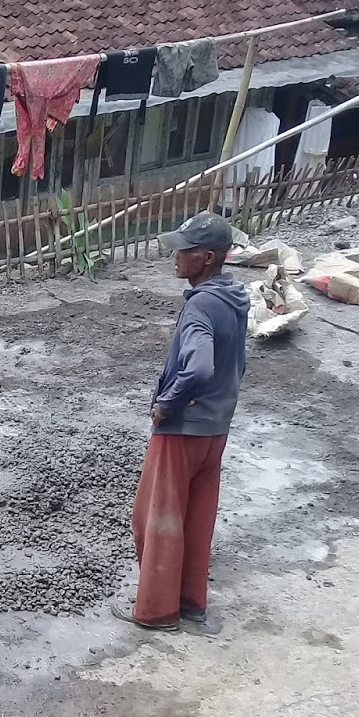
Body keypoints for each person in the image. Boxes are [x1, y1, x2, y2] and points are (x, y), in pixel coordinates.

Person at [123, 212, 249, 633]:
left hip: (183, 426)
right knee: (197, 516)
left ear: (208, 257)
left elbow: (199, 366)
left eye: (184, 250)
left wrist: (167, 403)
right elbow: (234, 363)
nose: (175, 256)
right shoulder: (233, 296)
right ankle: (192, 602)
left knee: (155, 517)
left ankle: (156, 611)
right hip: (216, 426)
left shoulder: (200, 306)